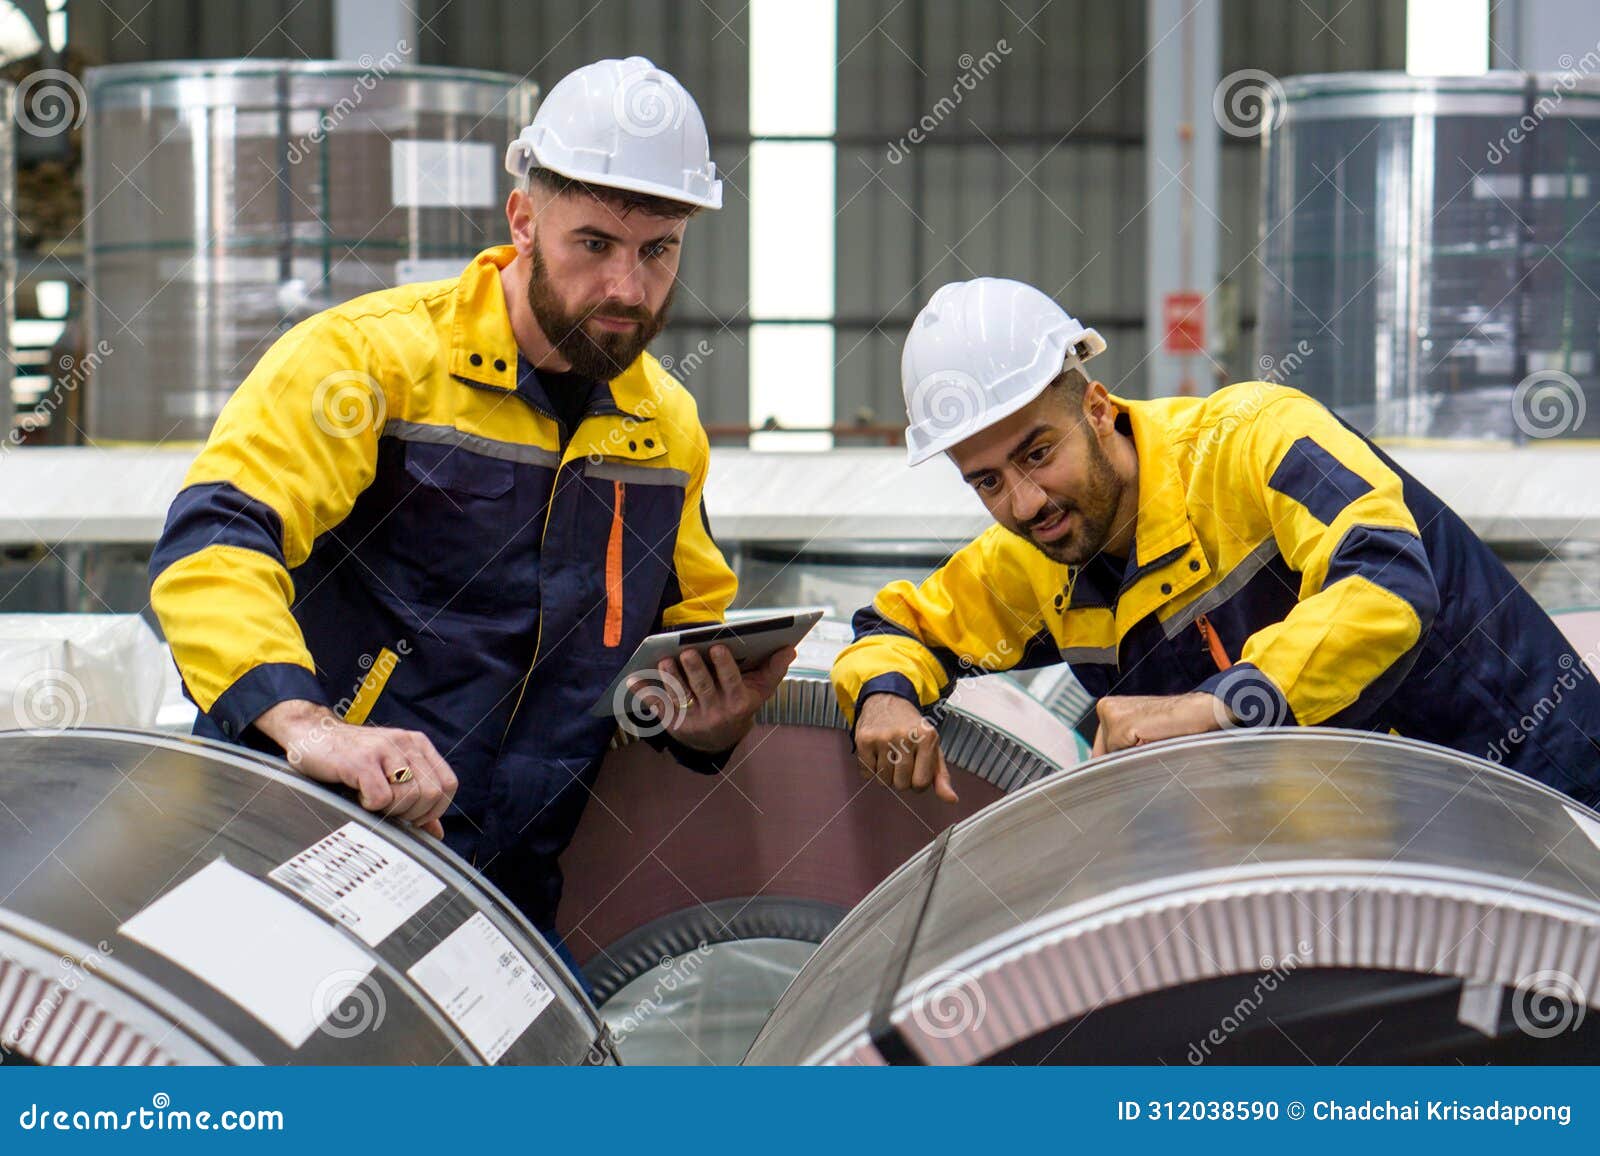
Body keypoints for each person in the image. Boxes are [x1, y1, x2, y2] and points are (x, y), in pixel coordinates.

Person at [149, 58, 792, 943]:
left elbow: (681, 643)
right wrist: (309, 726)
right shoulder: (367, 363)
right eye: (595, 244)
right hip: (309, 849)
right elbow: (213, 548)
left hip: (506, 896)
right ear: (524, 220)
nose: (627, 290)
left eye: (658, 250)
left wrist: (708, 727)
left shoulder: (664, 427)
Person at [836, 276, 1600, 807]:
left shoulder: (1254, 439)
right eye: (987, 481)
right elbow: (896, 629)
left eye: (1038, 453)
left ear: (1098, 408)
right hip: (1361, 844)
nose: (1026, 501)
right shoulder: (1035, 553)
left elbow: (1388, 585)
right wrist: (883, 698)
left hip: (1535, 786)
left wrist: (1216, 707)